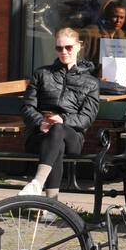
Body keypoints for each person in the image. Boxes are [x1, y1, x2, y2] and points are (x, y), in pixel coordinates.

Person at [19, 27, 100, 197]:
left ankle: (37, 183)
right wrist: (40, 122)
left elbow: (86, 118)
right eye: (59, 48)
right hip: (40, 135)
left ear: (79, 46)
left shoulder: (91, 83)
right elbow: (27, 106)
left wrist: (62, 119)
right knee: (57, 145)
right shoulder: (42, 74)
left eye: (68, 47)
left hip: (72, 137)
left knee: (58, 130)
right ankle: (51, 207)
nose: (64, 52)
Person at [81, 0, 126, 65]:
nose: (118, 21)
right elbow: (80, 61)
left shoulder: (120, 35)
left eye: (122, 17)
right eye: (115, 16)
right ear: (106, 16)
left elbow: (123, 61)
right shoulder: (90, 33)